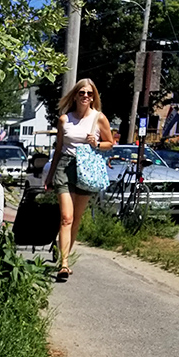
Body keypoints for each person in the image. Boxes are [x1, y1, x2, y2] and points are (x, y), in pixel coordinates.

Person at [44, 79, 114, 280]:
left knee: (75, 220)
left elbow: (111, 143)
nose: (86, 96)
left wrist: (98, 144)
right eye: (82, 92)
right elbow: (58, 150)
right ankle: (64, 263)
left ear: (94, 97)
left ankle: (63, 253)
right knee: (66, 217)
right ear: (75, 95)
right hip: (65, 167)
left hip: (87, 168)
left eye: (90, 94)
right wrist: (50, 175)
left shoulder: (99, 118)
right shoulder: (64, 120)